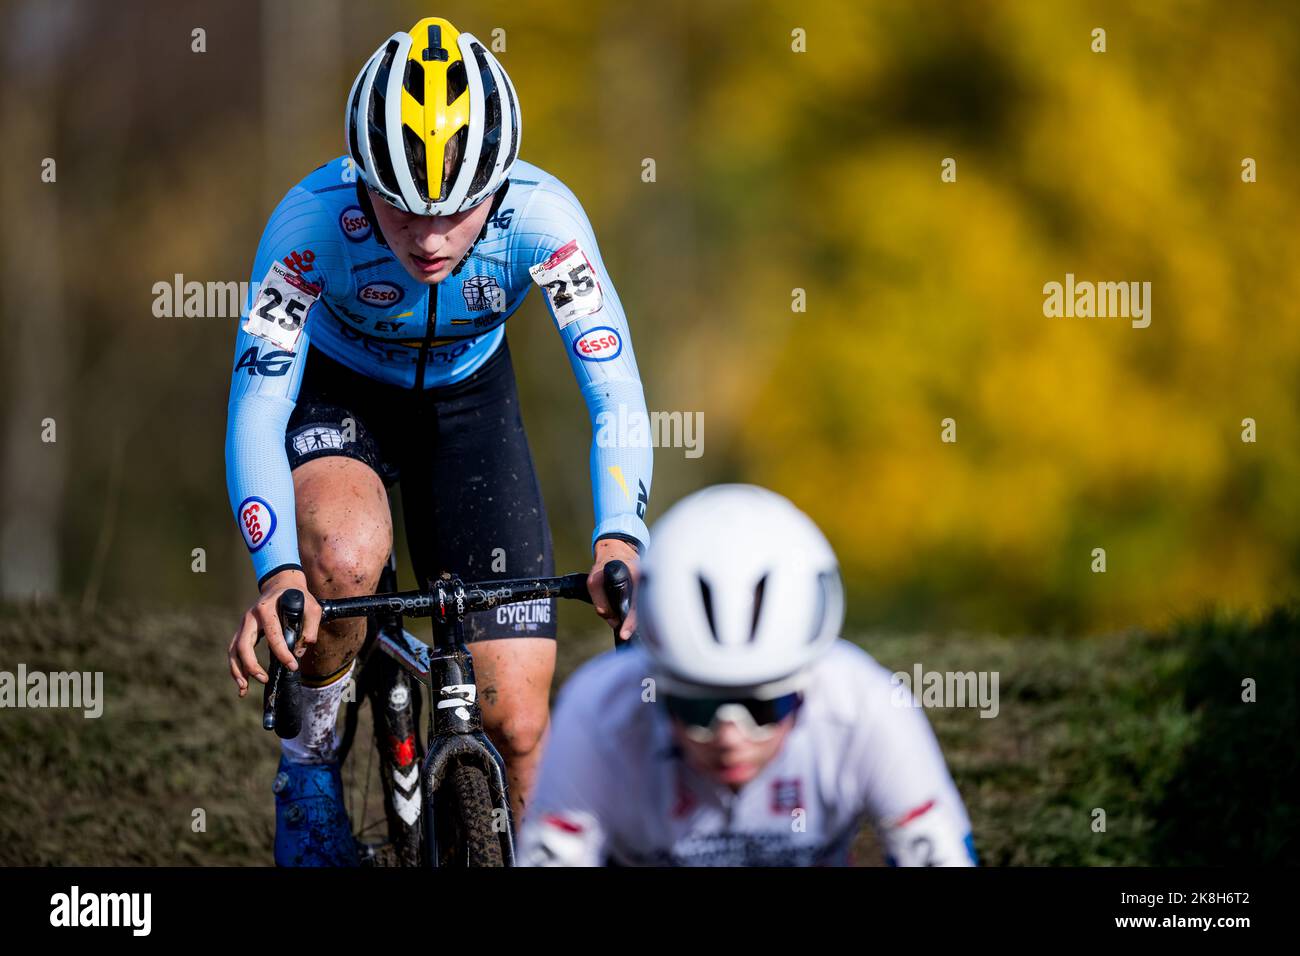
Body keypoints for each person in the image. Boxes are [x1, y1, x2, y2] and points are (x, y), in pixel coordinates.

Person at [223, 16, 651, 865]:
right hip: (339, 401)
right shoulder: (305, 227)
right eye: (398, 207)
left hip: (470, 412)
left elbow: (615, 393)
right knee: (344, 560)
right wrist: (277, 573)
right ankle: (308, 765)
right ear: (359, 178)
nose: (427, 238)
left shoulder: (545, 216)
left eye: (456, 212)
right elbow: (257, 409)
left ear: (498, 187)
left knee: (522, 719)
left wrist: (621, 536)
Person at [518, 485, 977, 866]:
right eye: (699, 707)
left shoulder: (865, 705)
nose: (730, 737)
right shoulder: (599, 712)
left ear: (805, 683)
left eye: (764, 707)